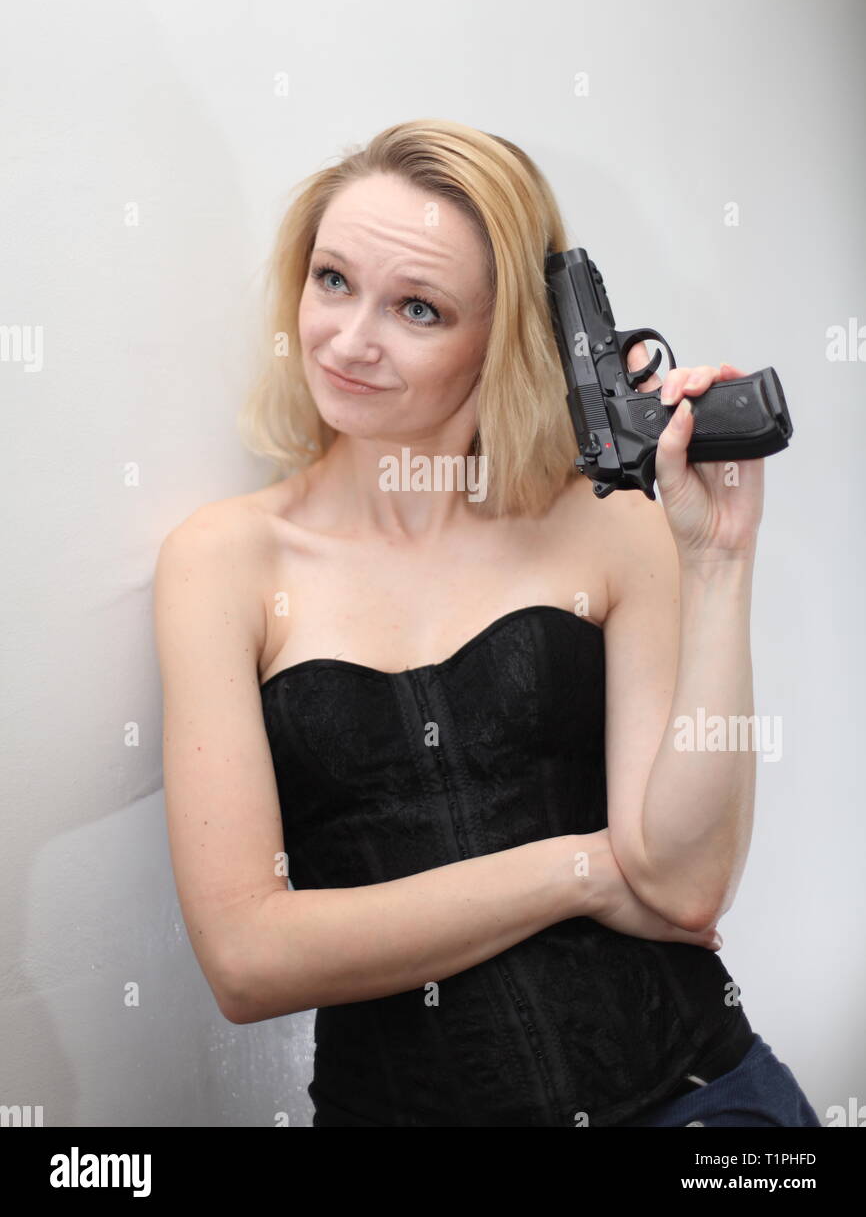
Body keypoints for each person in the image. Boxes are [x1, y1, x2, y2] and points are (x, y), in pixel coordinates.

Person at [154, 118, 820, 1127]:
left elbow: (684, 887)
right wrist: (580, 869)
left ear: (500, 336)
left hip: (703, 1104)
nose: (348, 338)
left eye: (416, 307)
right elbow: (246, 960)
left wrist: (716, 558)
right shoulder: (224, 562)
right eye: (332, 280)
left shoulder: (605, 523)